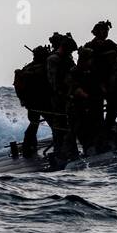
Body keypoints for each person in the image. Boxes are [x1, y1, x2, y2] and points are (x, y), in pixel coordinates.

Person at [12, 44, 52, 157]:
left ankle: (29, 146)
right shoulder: (41, 68)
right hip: (42, 102)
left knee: (34, 124)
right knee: (54, 124)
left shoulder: (27, 68)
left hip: (31, 103)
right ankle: (59, 146)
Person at [45, 33, 77, 164]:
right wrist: (64, 93)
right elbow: (54, 81)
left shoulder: (65, 58)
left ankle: (71, 150)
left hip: (68, 95)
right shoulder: (53, 59)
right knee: (60, 126)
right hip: (59, 97)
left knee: (71, 124)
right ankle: (59, 153)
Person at [66, 48, 102, 156]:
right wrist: (87, 96)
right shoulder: (74, 72)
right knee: (82, 128)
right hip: (79, 105)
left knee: (96, 125)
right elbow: (75, 88)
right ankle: (86, 149)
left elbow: (97, 83)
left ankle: (97, 146)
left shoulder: (91, 70)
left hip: (92, 103)